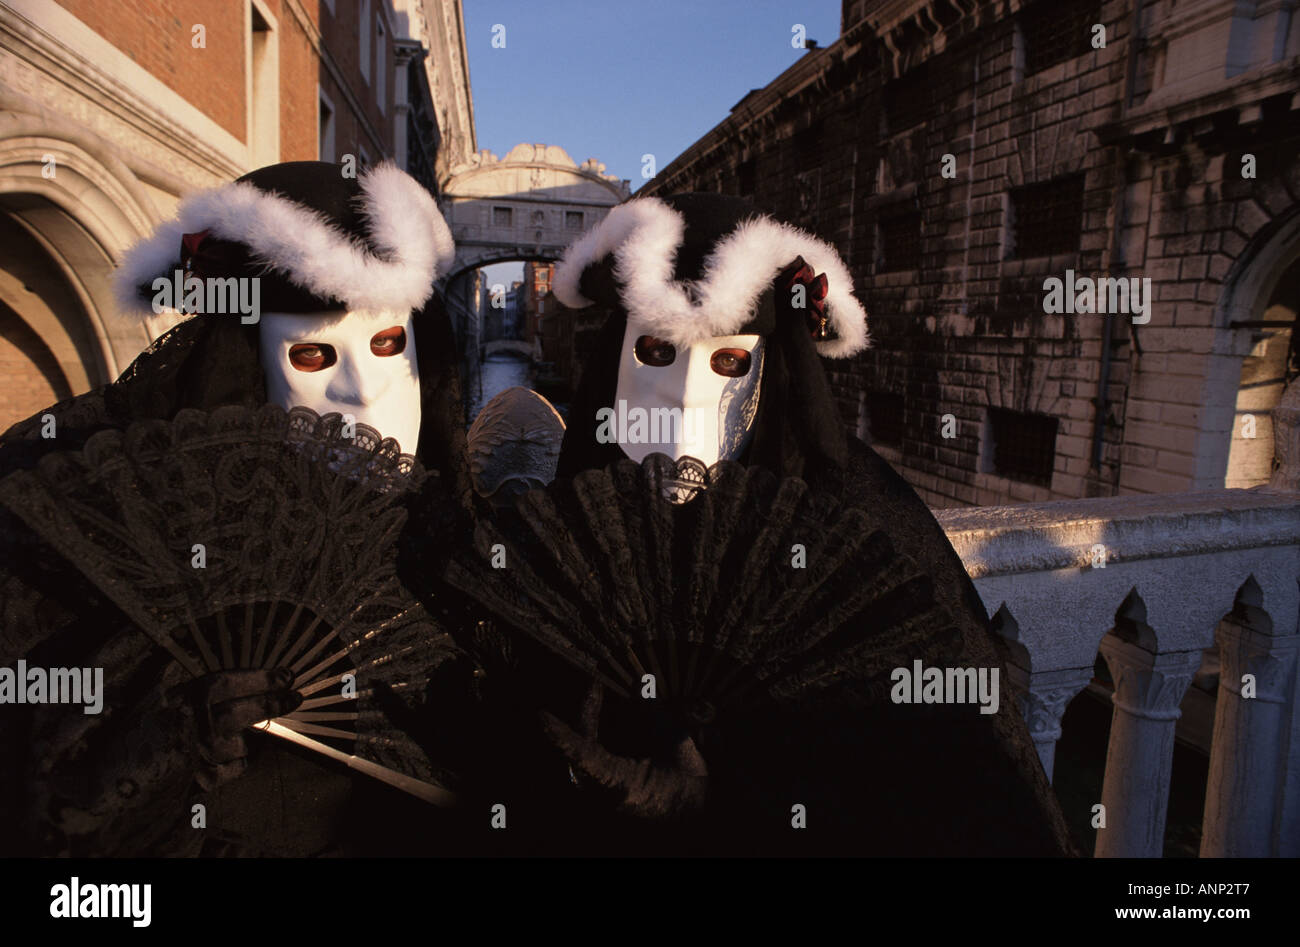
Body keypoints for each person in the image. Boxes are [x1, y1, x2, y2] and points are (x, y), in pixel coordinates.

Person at [430, 193, 1079, 855]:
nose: (682, 404)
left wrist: (733, 804)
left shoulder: (858, 520)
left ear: (767, 370)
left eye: (728, 363)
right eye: (656, 352)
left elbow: (949, 788)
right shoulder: (580, 513)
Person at [0, 161, 474, 855]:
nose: (363, 395)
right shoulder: (123, 561)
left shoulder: (461, 559)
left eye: (387, 345)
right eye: (312, 354)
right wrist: (162, 746)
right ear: (246, 368)